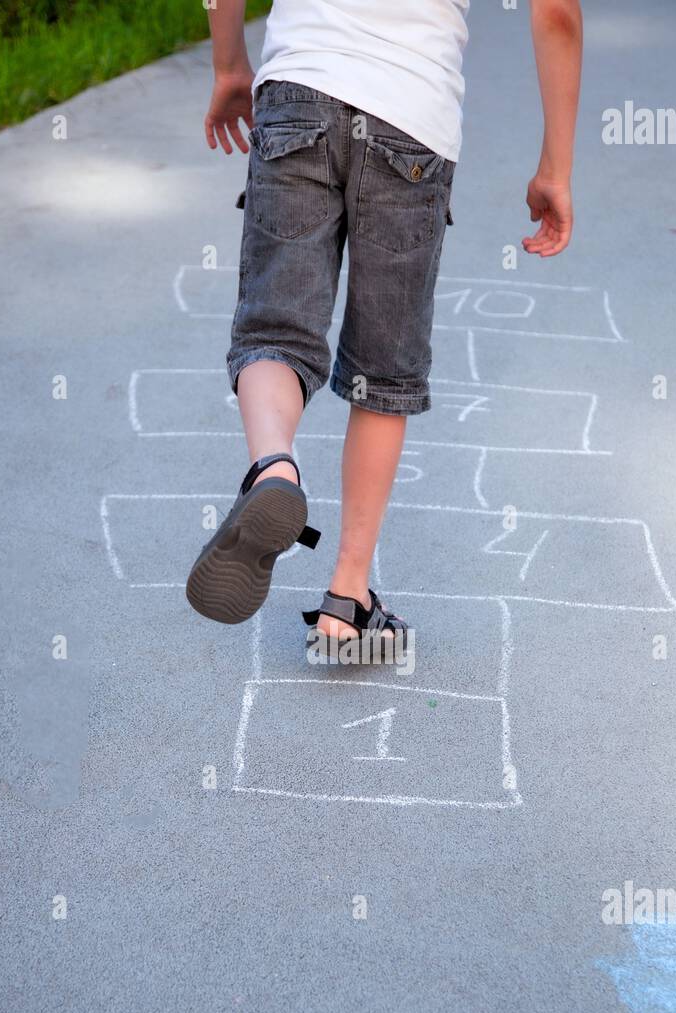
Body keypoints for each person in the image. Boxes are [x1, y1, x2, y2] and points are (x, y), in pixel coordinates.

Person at [186, 0, 582, 654]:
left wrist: (229, 63)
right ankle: (347, 600)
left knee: (274, 333)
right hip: (411, 119)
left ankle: (274, 470)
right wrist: (555, 167)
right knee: (382, 369)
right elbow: (557, 14)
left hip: (299, 93)